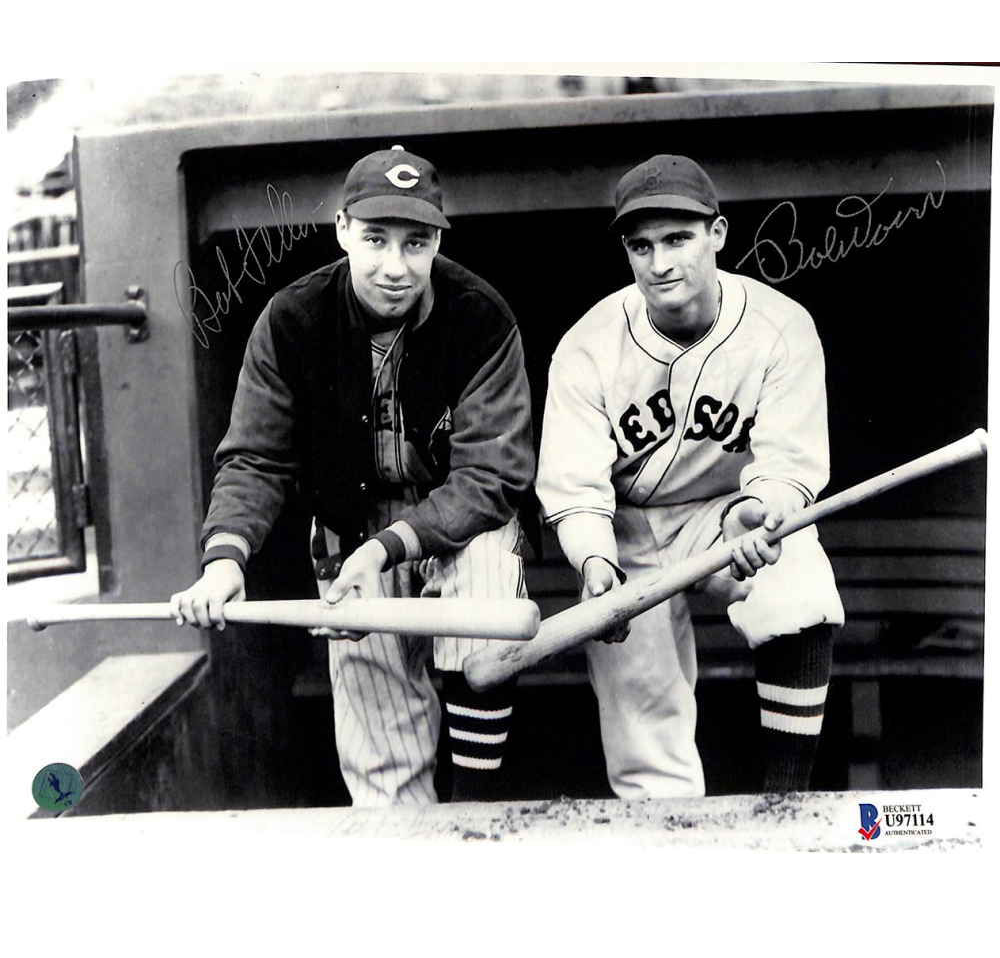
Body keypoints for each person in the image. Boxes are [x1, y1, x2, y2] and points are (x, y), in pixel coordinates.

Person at [170, 146, 536, 806]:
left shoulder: (480, 314)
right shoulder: (293, 316)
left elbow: (493, 477)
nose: (395, 266)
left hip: (456, 518)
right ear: (342, 229)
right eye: (375, 239)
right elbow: (256, 456)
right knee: (381, 759)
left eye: (416, 243)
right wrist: (226, 559)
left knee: (483, 584)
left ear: (437, 241)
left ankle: (479, 815)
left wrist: (385, 548)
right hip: (352, 521)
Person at [535, 154, 845, 798]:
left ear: (718, 234)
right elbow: (574, 485)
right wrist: (594, 563)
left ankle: (785, 804)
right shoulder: (587, 345)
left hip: (723, 513)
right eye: (641, 245)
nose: (660, 263)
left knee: (799, 578)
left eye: (677, 239)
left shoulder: (781, 326)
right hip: (622, 534)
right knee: (647, 750)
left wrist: (761, 510)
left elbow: (790, 459)